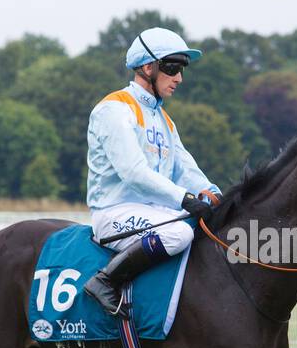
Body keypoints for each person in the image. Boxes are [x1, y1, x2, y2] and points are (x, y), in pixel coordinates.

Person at [82, 27, 222, 318]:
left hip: (155, 214)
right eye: (172, 68)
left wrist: (215, 193)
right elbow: (134, 172)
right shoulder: (114, 109)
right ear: (148, 67)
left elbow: (185, 168)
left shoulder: (164, 120)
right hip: (114, 213)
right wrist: (184, 199)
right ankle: (105, 281)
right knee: (179, 234)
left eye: (181, 69)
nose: (179, 78)